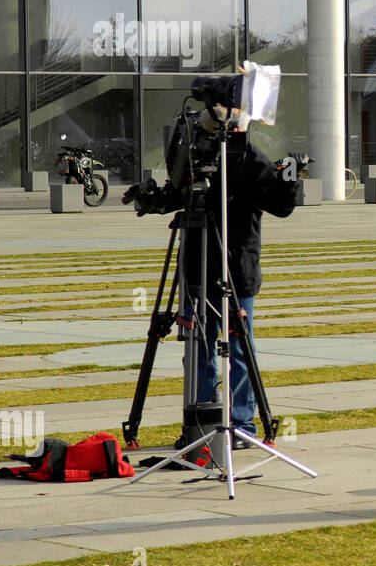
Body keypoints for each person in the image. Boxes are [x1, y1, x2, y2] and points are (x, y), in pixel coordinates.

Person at [125, 110, 300, 444]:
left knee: (234, 349)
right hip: (201, 266)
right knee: (203, 349)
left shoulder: (249, 159)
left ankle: (241, 426)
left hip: (234, 269)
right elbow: (177, 194)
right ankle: (202, 424)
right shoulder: (198, 157)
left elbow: (280, 205)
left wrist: (289, 178)